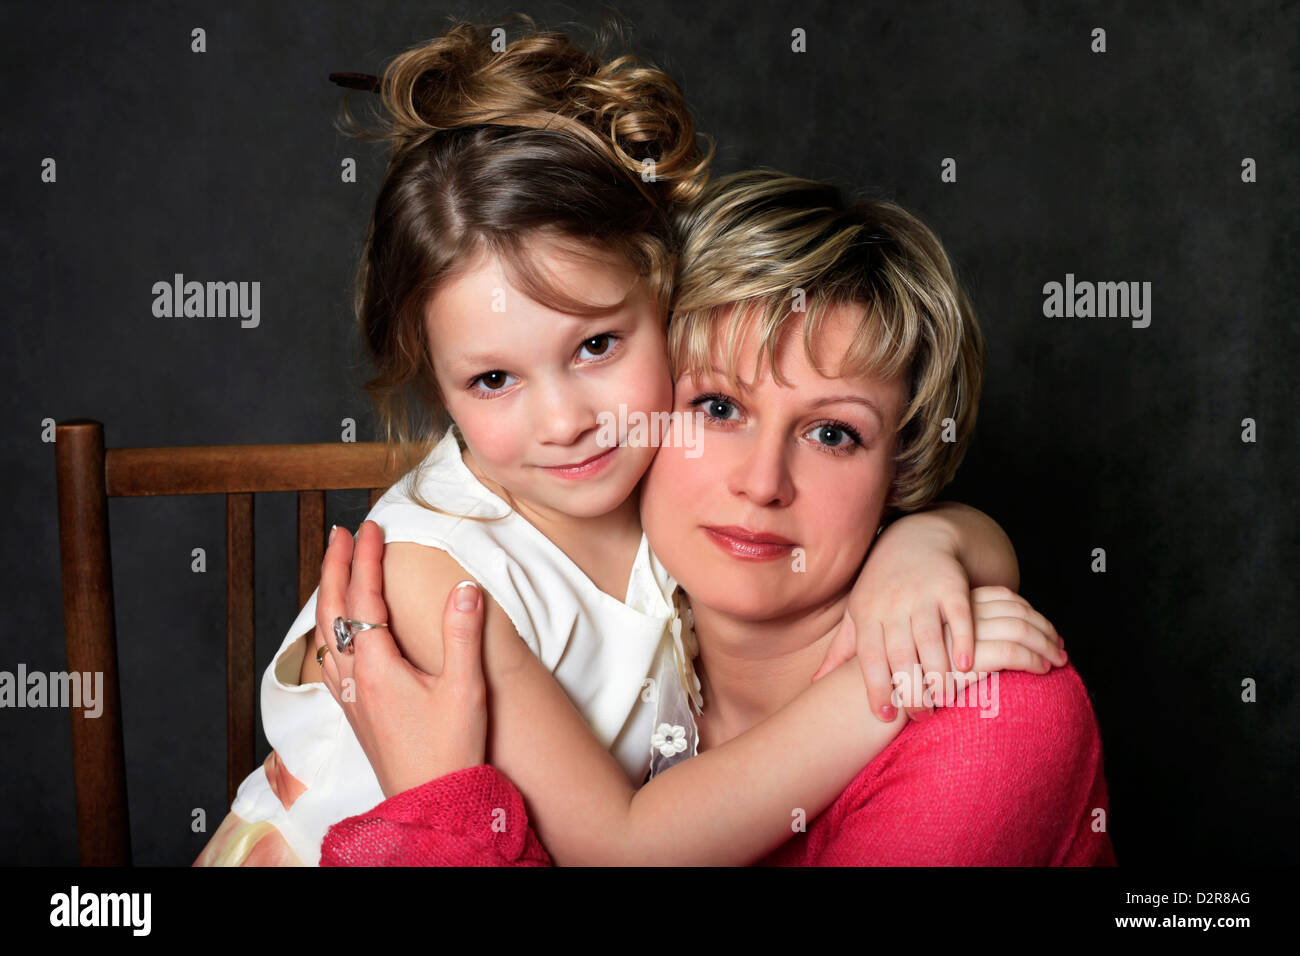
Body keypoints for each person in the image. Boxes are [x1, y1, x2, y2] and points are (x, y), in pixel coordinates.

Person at [193, 17, 1045, 868]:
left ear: (664, 294)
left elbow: (952, 532)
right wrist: (883, 689)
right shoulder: (436, 580)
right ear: (435, 384)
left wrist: (933, 546)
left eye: (597, 346)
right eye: (493, 380)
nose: (566, 423)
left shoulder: (657, 476)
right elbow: (624, 847)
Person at [311, 170, 1115, 866]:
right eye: (719, 406)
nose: (763, 484)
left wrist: (437, 820)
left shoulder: (992, 717)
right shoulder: (606, 663)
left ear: (902, 467)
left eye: (834, 434)